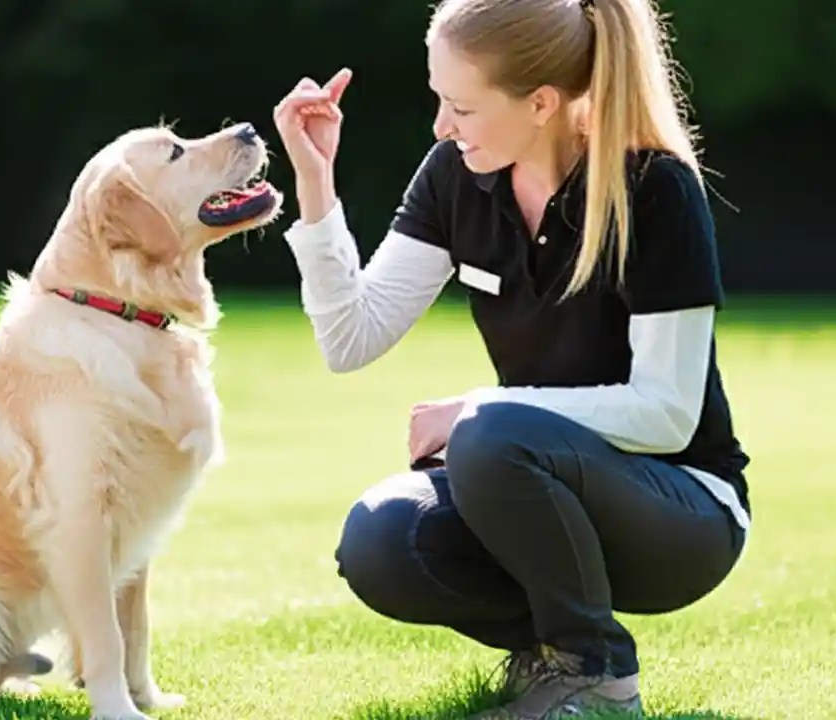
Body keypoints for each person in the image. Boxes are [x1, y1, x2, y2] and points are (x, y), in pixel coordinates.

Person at [271, 0, 751, 717]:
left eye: (460, 106)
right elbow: (352, 338)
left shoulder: (655, 190)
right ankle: (551, 659)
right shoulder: (455, 175)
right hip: (528, 484)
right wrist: (315, 184)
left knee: (489, 434)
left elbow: (667, 415)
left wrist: (481, 409)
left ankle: (600, 678)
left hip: (679, 513)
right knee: (380, 537)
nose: (441, 126)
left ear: (541, 103)